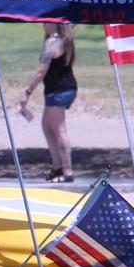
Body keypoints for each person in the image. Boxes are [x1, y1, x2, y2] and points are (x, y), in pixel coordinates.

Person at [21, 23, 77, 182]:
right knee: (47, 126)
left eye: (46, 21)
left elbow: (41, 71)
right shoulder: (66, 39)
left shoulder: (52, 42)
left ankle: (67, 170)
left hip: (57, 91)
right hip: (67, 88)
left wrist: (28, 92)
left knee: (60, 130)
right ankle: (56, 166)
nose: (43, 24)